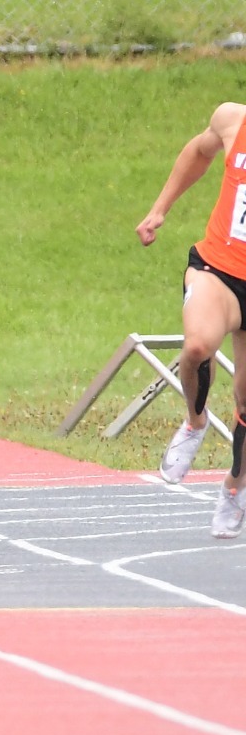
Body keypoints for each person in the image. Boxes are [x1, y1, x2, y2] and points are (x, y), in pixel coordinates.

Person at [135, 99, 246, 536]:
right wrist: (160, 208)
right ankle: (196, 422)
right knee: (197, 346)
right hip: (218, 268)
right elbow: (199, 152)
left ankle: (234, 487)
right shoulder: (233, 119)